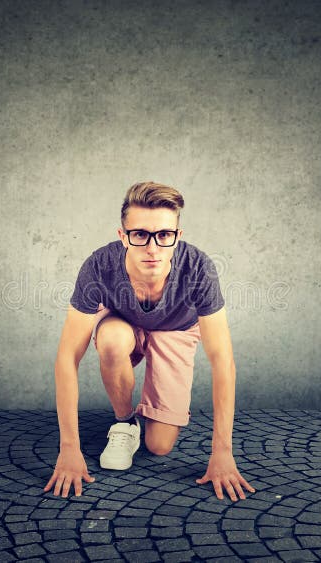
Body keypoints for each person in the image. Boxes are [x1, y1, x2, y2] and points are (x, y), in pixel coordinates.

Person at [43, 181, 255, 502]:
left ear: (177, 237)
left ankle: (152, 420)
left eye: (164, 235)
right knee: (112, 340)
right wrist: (69, 449)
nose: (152, 248)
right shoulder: (99, 267)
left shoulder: (199, 269)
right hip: (124, 323)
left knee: (159, 446)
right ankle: (125, 424)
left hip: (176, 330)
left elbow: (222, 360)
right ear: (123, 236)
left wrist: (223, 452)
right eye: (140, 235)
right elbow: (66, 358)